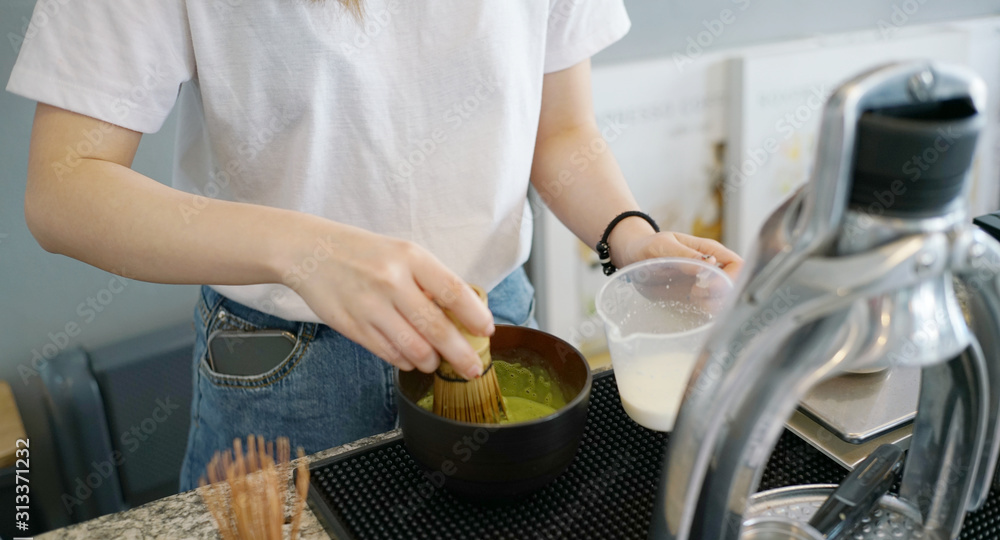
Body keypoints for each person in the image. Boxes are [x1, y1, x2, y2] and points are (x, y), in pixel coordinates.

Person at [8, 0, 742, 491]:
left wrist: (631, 236)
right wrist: (306, 250)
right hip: (286, 369)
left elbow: (562, 132)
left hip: (497, 329)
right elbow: (65, 190)